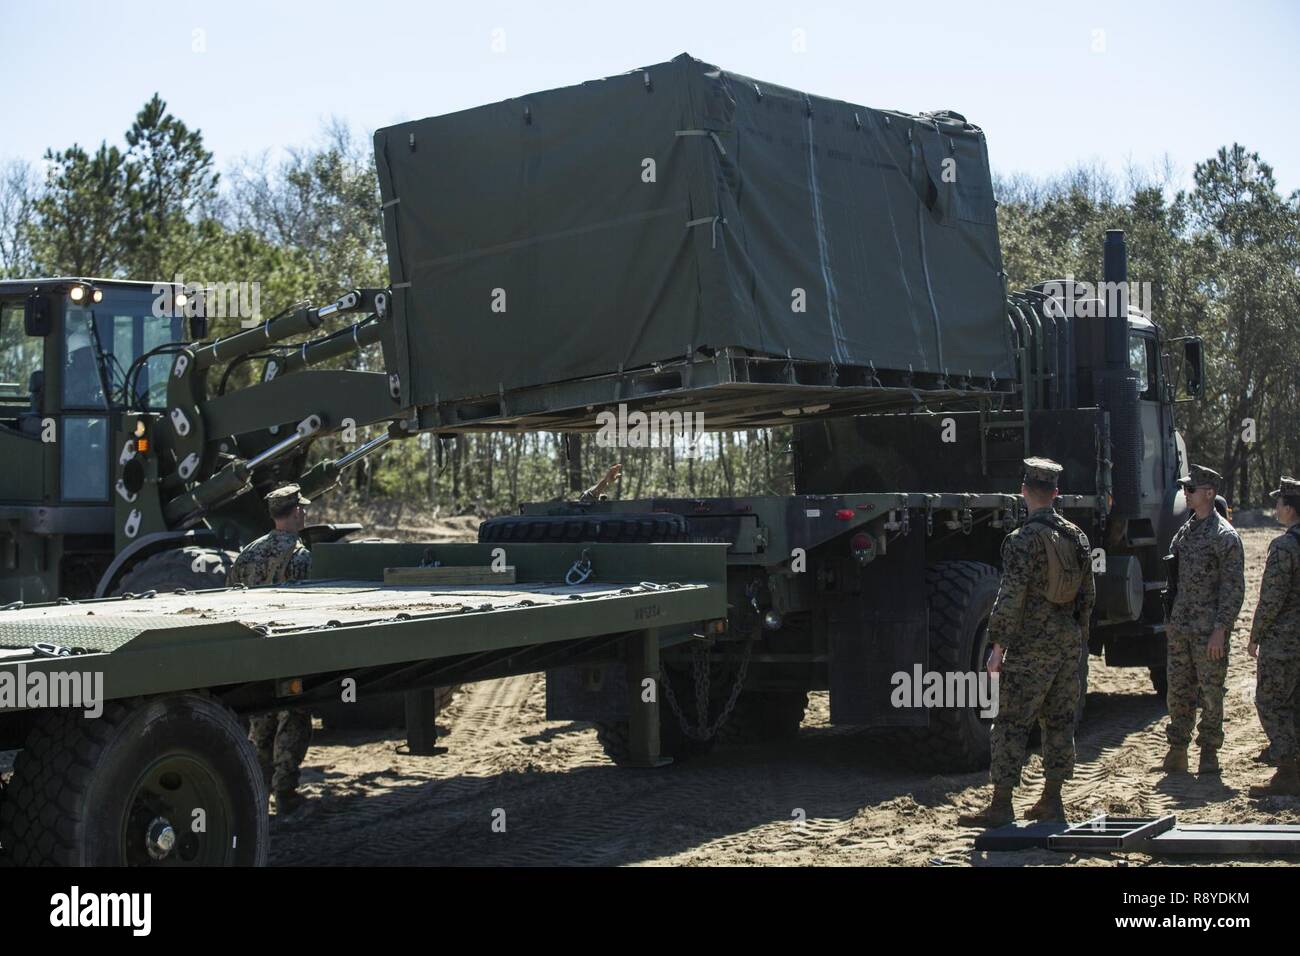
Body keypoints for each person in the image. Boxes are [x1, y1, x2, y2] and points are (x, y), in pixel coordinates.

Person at [959, 457, 1095, 827]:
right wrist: (1077, 639)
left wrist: (997, 648)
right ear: (1056, 493)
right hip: (1067, 644)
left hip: (1031, 647)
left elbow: (1011, 597)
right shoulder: (1077, 537)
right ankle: (1052, 800)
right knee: (1060, 722)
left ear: (1023, 492)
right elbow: (1087, 597)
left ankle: (1001, 805)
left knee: (1010, 723)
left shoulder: (1020, 541)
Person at [227, 483, 314, 814]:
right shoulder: (299, 556)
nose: (304, 512)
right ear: (294, 513)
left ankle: (259, 794)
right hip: (289, 650)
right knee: (294, 719)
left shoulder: (248, 552)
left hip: (253, 653)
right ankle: (286, 792)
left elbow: (229, 599)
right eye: (301, 508)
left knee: (260, 724)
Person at [1153, 464, 1245, 776]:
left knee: (1211, 692)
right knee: (1178, 691)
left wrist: (1221, 629)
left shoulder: (1225, 537)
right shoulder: (1185, 532)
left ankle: (1208, 752)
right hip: (1181, 628)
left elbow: (1233, 589)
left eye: (1191, 489)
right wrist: (1170, 620)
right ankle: (1177, 750)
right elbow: (1173, 581)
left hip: (1209, 631)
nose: (1185, 494)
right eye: (1185, 489)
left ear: (1210, 493)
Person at [1246, 476, 1300, 797]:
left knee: (1271, 701)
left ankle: (1287, 770)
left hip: (1285, 640)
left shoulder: (1283, 547)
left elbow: (1271, 599)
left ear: (1290, 509)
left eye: (1279, 503)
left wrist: (1255, 635)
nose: (1276, 508)